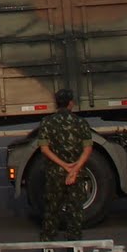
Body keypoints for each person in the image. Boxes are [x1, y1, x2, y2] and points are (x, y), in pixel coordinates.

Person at [37, 87, 94, 242]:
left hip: (55, 173)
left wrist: (63, 165)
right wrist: (74, 169)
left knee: (52, 209)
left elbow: (44, 149)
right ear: (71, 103)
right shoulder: (80, 122)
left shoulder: (47, 122)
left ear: (56, 103)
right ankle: (73, 242)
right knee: (75, 210)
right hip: (75, 174)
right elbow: (88, 149)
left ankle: (48, 241)